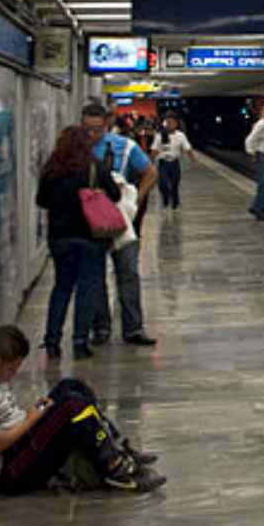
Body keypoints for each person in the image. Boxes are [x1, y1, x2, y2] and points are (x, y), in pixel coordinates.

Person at [0, 325, 164, 494]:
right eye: (11, 370)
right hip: (6, 473)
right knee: (73, 407)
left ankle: (115, 448)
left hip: (17, 444)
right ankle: (115, 469)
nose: (11, 376)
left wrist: (34, 416)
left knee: (72, 386)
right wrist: (30, 420)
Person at [34, 125, 120, 360]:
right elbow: (115, 195)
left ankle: (52, 341)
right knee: (87, 289)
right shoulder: (94, 167)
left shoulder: (51, 170)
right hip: (90, 237)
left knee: (61, 288)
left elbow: (41, 200)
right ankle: (80, 341)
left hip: (60, 238)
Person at [81, 103, 158, 349]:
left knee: (128, 273)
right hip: (89, 223)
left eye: (97, 129)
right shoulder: (76, 149)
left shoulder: (124, 147)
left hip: (121, 222)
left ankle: (133, 328)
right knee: (95, 276)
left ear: (107, 125)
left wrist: (136, 199)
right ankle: (100, 327)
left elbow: (150, 171)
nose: (92, 135)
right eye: (87, 129)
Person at [152, 114, 193, 211]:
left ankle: (175, 202)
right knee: (162, 183)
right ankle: (165, 199)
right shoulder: (159, 135)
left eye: (171, 122)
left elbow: (187, 147)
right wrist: (150, 161)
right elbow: (154, 149)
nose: (169, 124)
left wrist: (193, 160)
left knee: (175, 184)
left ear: (176, 124)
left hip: (175, 162)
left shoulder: (181, 135)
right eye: (167, 122)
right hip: (163, 163)